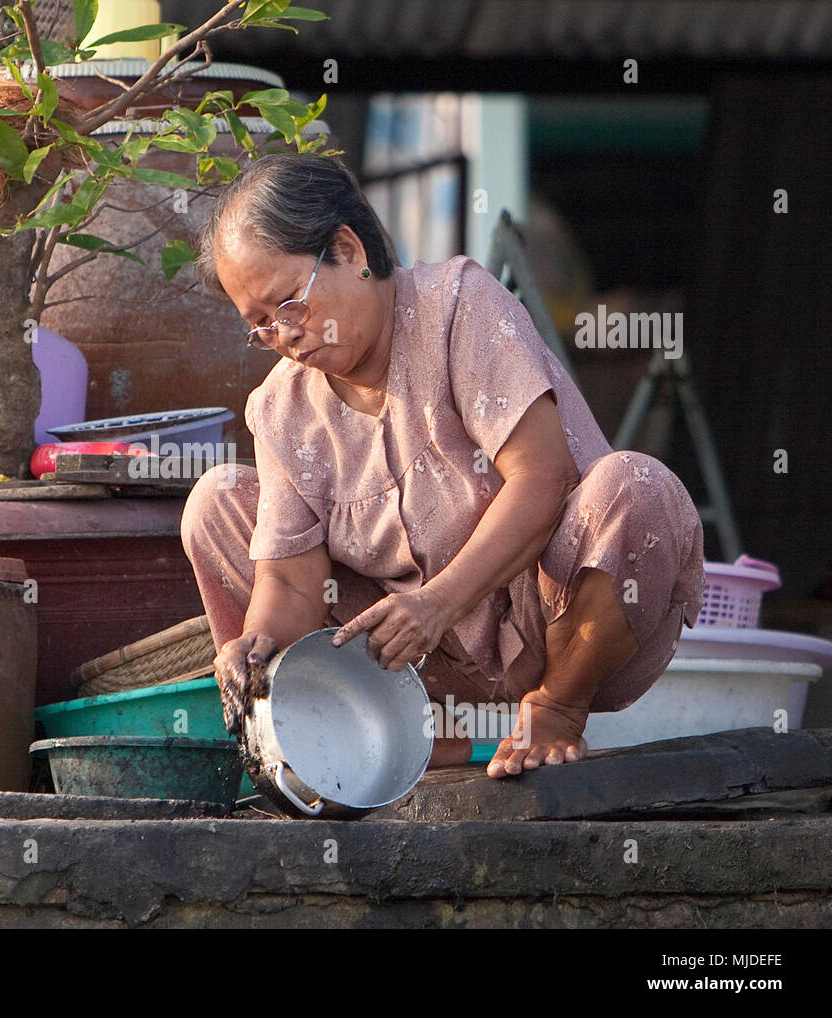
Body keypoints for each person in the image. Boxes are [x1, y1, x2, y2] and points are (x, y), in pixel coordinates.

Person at [181, 153, 704, 778]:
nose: (283, 334)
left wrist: (437, 604)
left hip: (552, 620)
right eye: (260, 325)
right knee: (216, 501)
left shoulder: (457, 306)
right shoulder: (280, 407)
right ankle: (401, 732)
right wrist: (257, 643)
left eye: (287, 304)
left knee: (636, 485)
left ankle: (557, 709)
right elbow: (292, 585)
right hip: (418, 660)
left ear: (348, 251)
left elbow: (545, 477)